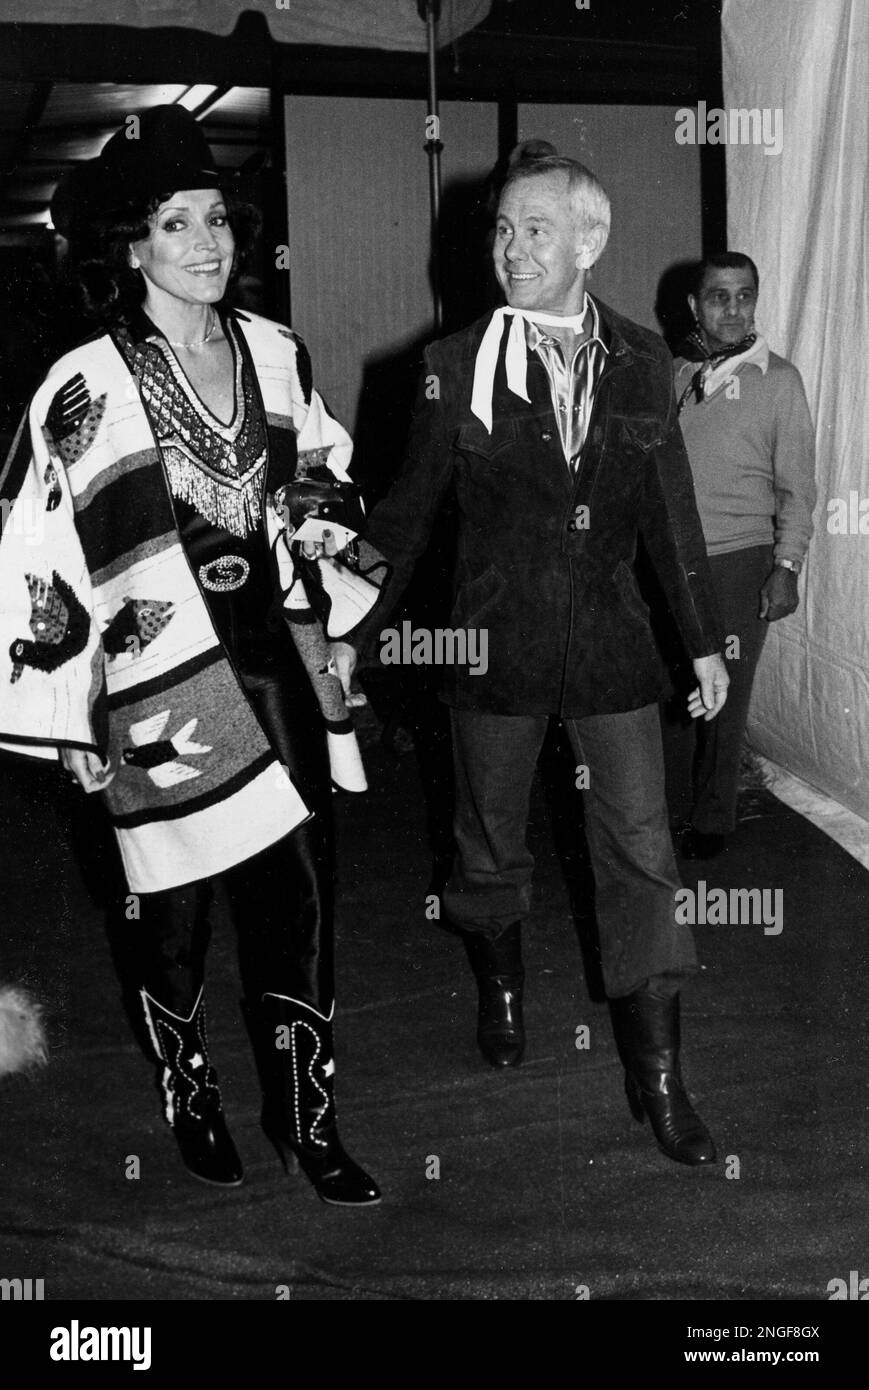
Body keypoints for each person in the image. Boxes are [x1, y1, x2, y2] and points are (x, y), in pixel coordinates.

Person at [0, 106, 379, 1206]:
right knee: (171, 920)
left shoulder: (276, 349)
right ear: (132, 244)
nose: (209, 242)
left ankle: (310, 1123)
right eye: (178, 223)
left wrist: (321, 542)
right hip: (154, 690)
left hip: (274, 677)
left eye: (218, 217)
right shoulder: (80, 385)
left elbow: (324, 468)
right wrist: (69, 712)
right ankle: (192, 1093)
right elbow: (37, 549)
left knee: (301, 908)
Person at [334, 153, 730, 1166]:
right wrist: (348, 629)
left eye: (533, 230)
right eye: (501, 230)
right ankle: (500, 981)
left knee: (642, 852)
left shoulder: (645, 363)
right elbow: (402, 518)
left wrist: (698, 641)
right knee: (484, 845)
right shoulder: (449, 364)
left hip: (610, 656)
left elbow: (666, 517)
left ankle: (659, 1080)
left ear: (586, 243)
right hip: (488, 650)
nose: (509, 249)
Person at [663, 252, 816, 859]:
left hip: (740, 560)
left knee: (728, 694)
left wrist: (787, 565)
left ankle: (712, 819)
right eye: (718, 296)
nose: (732, 309)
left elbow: (797, 487)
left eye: (744, 296)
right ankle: (659, 814)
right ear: (695, 305)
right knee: (671, 692)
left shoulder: (779, 380)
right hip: (670, 559)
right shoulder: (672, 374)